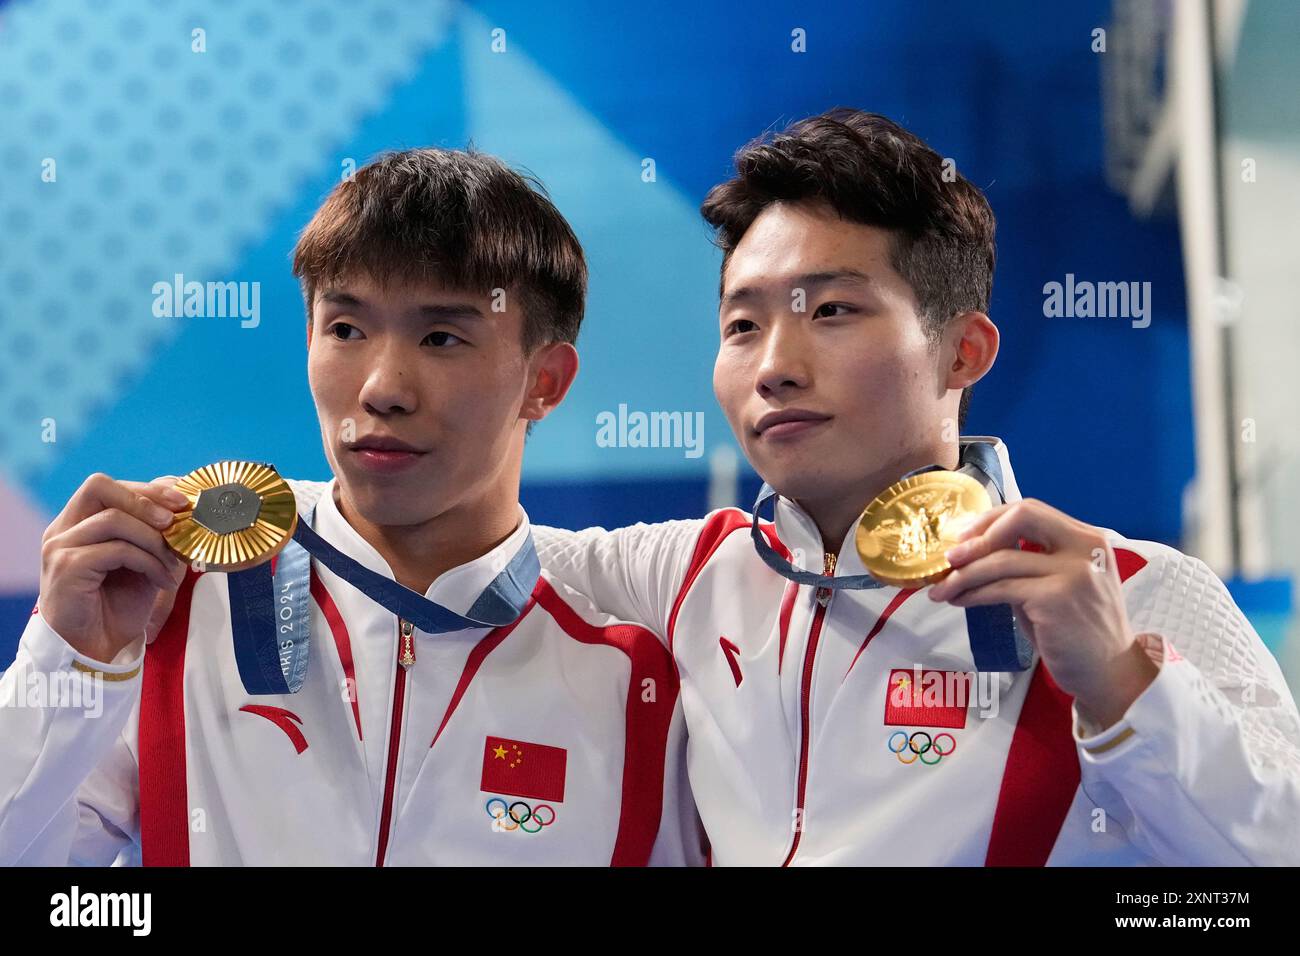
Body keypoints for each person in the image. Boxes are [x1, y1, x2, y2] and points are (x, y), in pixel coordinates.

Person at [534, 108, 1300, 865]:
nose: (774, 367)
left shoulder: (1139, 592)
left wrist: (1121, 680)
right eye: (742, 326)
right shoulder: (686, 574)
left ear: (963, 352)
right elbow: (464, 553)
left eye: (832, 310)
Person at [0, 148, 702, 866]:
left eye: (441, 338)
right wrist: (67, 661)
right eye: (346, 329)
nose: (381, 387)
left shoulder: (631, 682)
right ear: (308, 338)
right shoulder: (174, 593)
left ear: (545, 383)